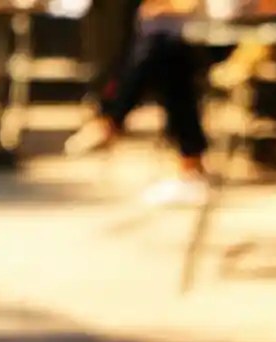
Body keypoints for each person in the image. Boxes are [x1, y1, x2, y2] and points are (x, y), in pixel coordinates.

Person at [64, 0, 211, 206]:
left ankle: (112, 118)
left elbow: (189, 6)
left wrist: (168, 9)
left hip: (216, 34)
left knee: (162, 53)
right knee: (166, 57)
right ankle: (190, 166)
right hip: (183, 37)